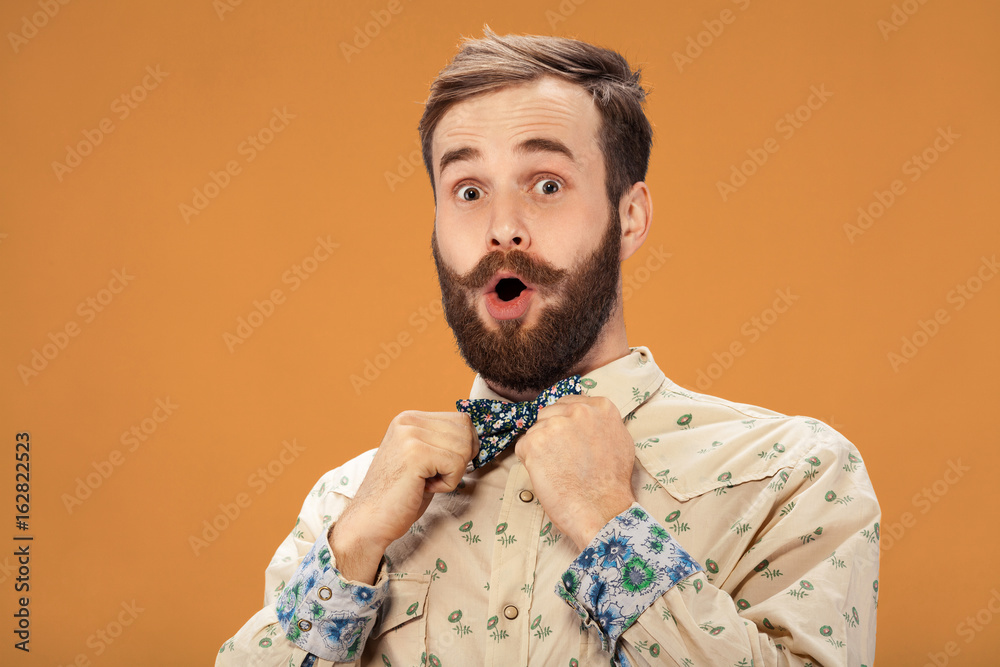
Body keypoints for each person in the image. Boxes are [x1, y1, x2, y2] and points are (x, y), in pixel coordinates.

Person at [216, 27, 880, 667]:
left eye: (547, 185)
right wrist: (354, 548)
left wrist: (612, 529)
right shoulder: (343, 505)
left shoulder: (792, 473)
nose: (503, 228)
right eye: (469, 191)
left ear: (630, 215)